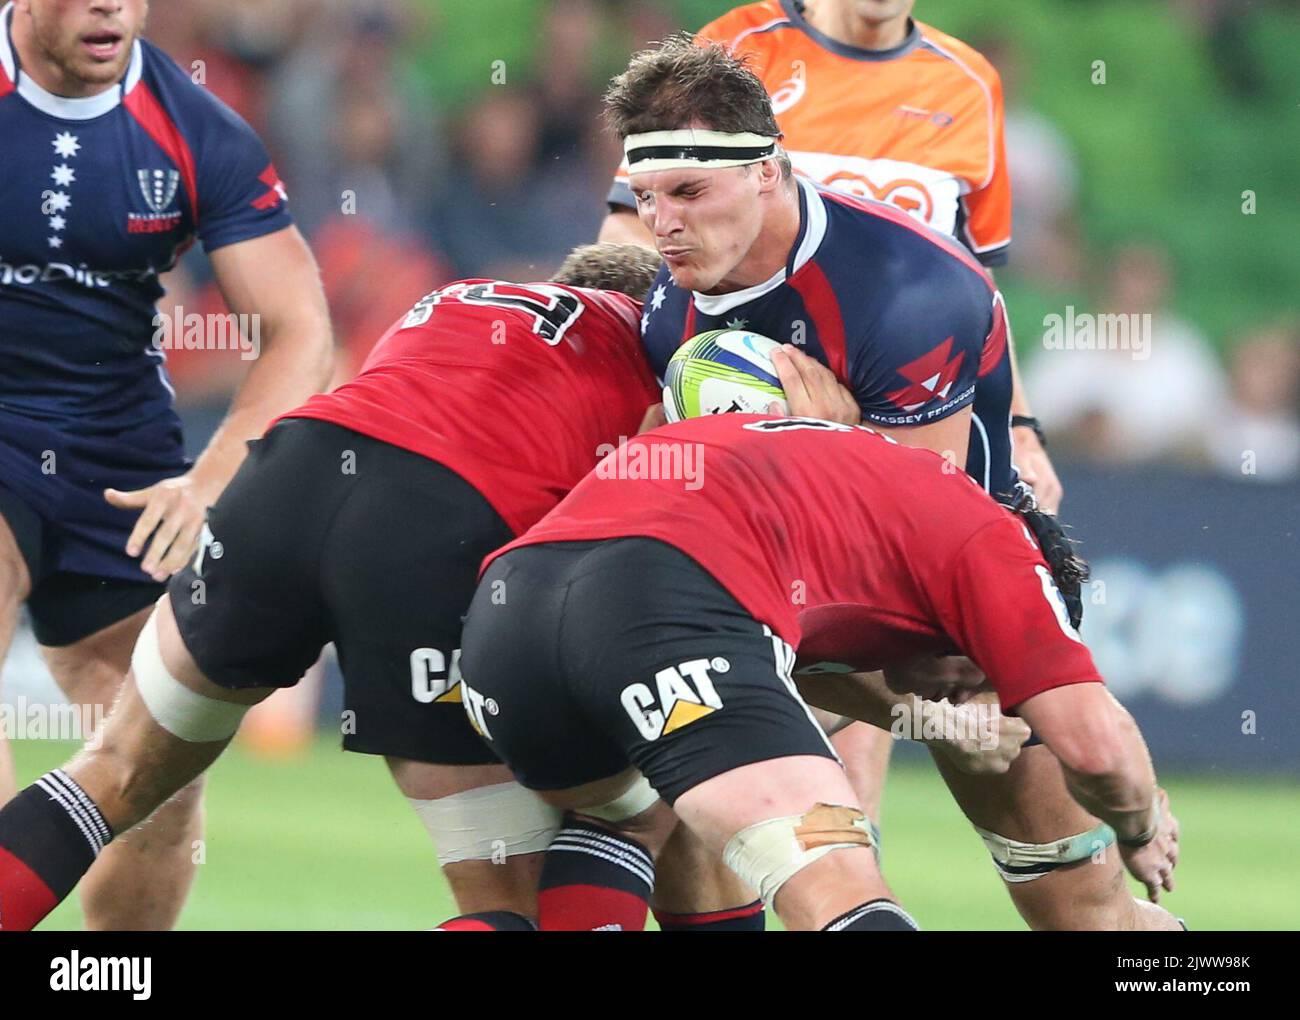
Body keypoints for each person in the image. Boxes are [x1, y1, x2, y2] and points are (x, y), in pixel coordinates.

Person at [0, 243, 665, 932]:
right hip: (434, 526)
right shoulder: (649, 363)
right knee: (511, 885)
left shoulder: (462, 300)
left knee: (112, 771)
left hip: (287, 476)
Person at [598, 6, 1067, 887]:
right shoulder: (736, 49)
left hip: (888, 423)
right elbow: (638, 230)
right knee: (715, 762)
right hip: (737, 422)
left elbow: (971, 293)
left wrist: (1022, 428)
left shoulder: (968, 85)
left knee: (879, 709)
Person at [452, 414, 1180, 932]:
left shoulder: (856, 491)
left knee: (627, 811)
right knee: (834, 881)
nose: (956, 699)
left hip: (504, 621)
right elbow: (1094, 747)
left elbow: (793, 664)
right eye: (970, 686)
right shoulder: (997, 544)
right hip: (667, 604)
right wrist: (1140, 823)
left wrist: (933, 722)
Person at [0, 0, 332, 929]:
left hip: (118, 456)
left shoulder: (197, 133)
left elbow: (298, 329)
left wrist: (210, 478)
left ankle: (107, 982)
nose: (112, 5)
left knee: (156, 767)